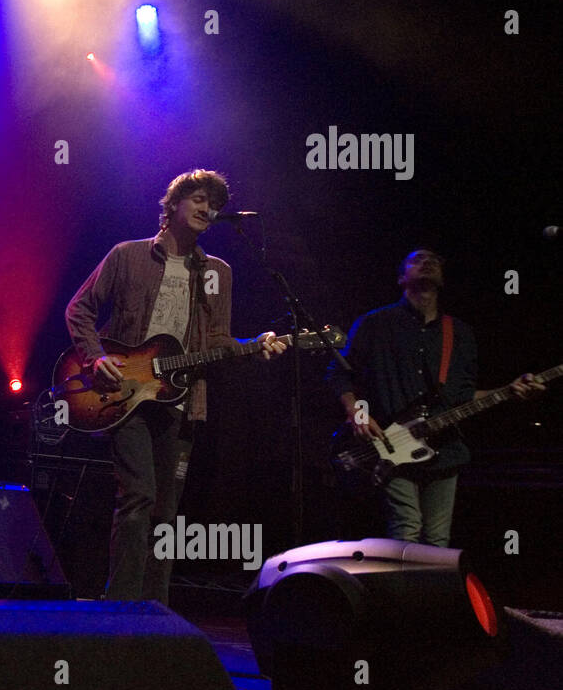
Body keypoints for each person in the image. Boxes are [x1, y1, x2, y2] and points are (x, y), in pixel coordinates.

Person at [65, 169, 285, 602]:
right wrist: (97, 357)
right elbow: (79, 309)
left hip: (181, 400)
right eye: (200, 199)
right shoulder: (127, 256)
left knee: (166, 514)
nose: (209, 210)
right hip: (124, 396)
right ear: (174, 204)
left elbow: (219, 343)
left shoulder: (217, 273)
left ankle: (155, 612)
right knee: (139, 498)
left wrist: (254, 346)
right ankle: (121, 607)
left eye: (214, 205)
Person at [329, 248, 543, 547]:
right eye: (417, 260)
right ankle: (402, 594)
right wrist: (357, 412)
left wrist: (509, 390)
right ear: (402, 277)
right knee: (407, 527)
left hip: (445, 449)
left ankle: (428, 595)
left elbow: (464, 396)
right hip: (391, 443)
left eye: (434, 261)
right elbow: (340, 374)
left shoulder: (460, 332)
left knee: (437, 540)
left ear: (443, 277)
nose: (427, 262)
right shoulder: (374, 323)